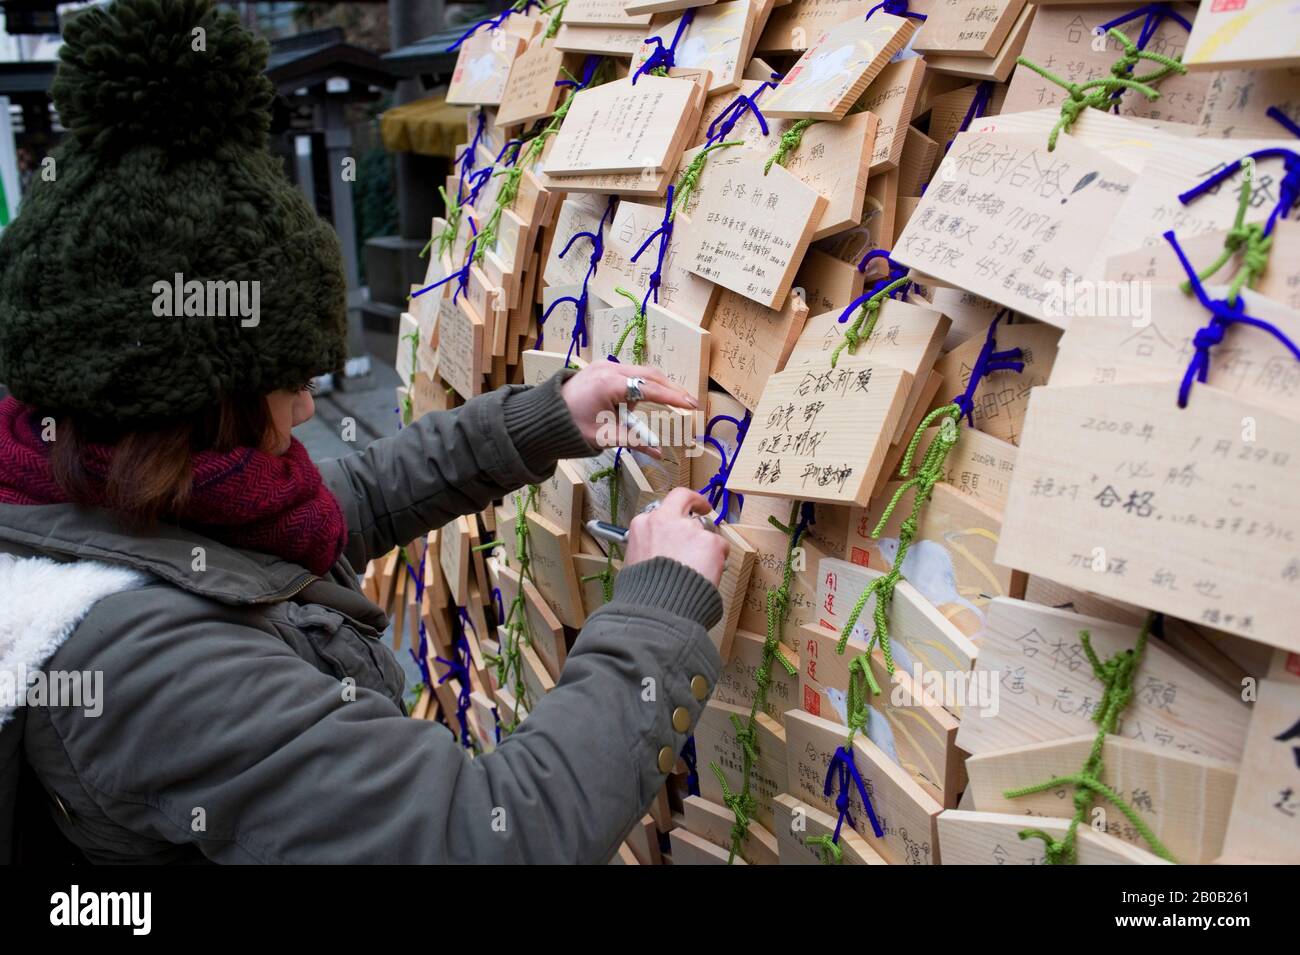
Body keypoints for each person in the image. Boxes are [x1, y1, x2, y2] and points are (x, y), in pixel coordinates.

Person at [0, 0, 728, 864]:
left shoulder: (93, 489)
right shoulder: (151, 666)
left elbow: (345, 501)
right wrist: (657, 609)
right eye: (287, 384)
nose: (308, 410)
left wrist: (542, 420)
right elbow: (484, 837)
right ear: (193, 406)